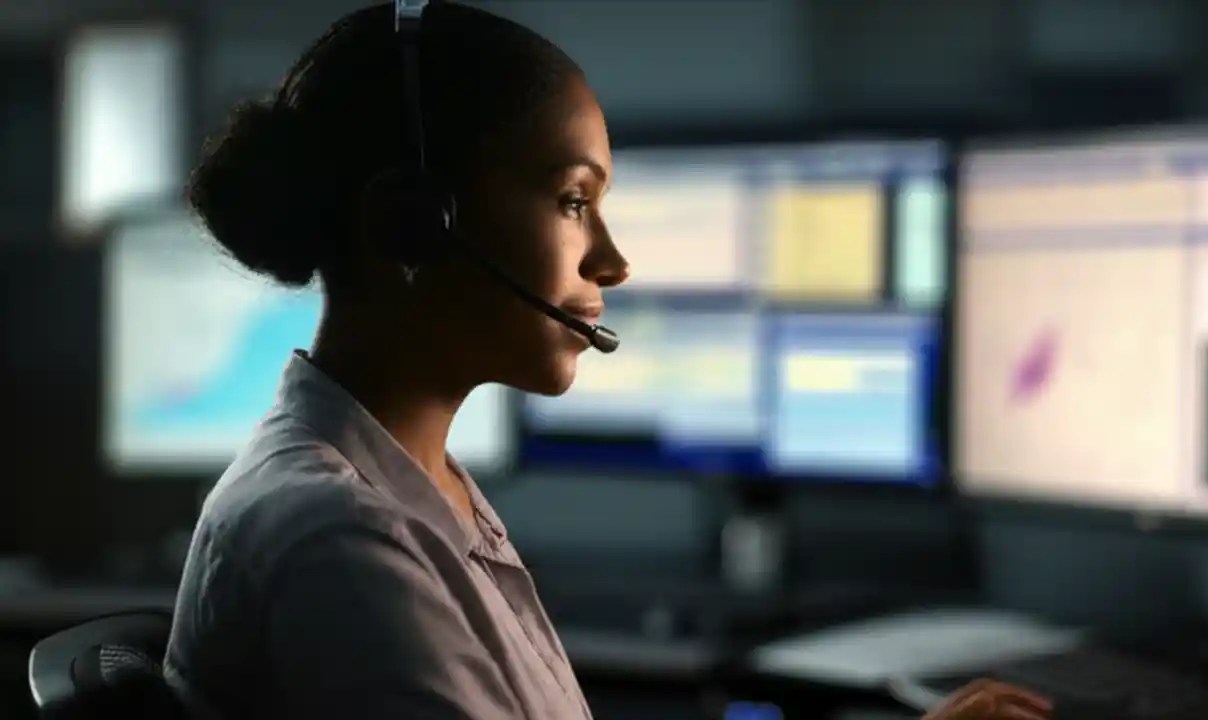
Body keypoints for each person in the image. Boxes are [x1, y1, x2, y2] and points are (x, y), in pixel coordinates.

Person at [164, 2, 1053, 719]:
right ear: (413, 224)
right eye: (572, 200)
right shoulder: (341, 542)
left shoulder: (407, 486)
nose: (613, 261)